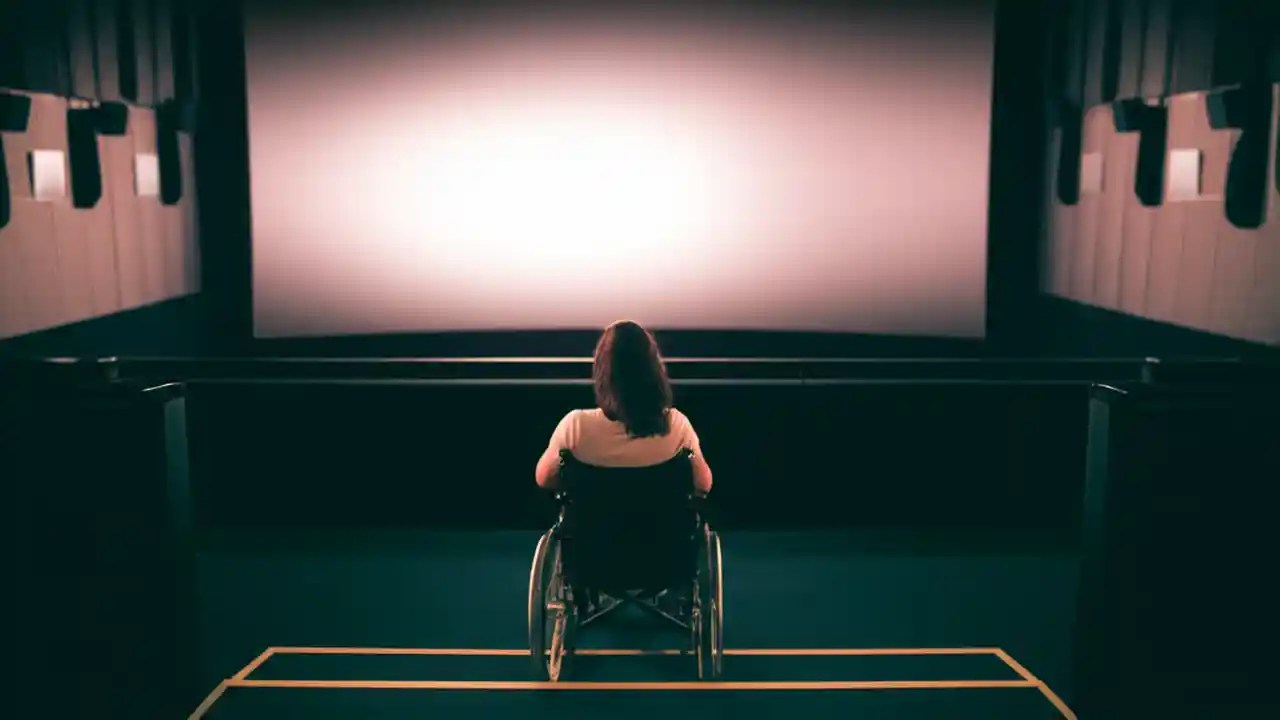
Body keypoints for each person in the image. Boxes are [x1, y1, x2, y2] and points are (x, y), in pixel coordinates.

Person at [534, 320, 713, 496]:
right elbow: (703, 485)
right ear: (653, 371)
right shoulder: (677, 426)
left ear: (602, 372)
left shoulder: (575, 427)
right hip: (662, 516)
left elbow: (544, 479)